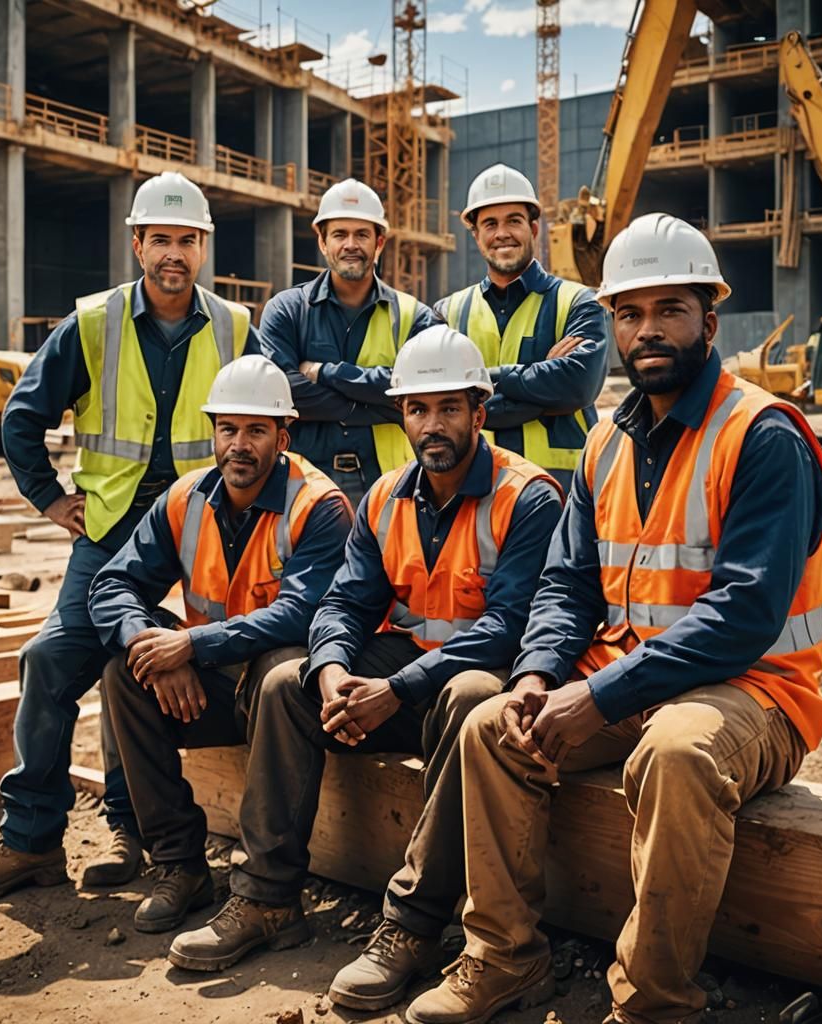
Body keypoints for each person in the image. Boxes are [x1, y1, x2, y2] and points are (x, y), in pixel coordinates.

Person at [406, 213, 822, 1024]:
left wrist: (595, 699)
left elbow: (744, 614)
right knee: (493, 727)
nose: (647, 330)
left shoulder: (761, 434)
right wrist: (537, 676)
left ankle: (650, 1004)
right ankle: (503, 957)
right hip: (632, 677)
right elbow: (568, 587)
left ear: (709, 320)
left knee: (675, 754)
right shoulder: (606, 442)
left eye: (669, 309)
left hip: (757, 693)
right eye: (629, 314)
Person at [166, 326, 563, 979]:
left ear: (479, 413)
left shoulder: (528, 498)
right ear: (401, 415)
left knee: (469, 700)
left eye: (448, 408)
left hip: (480, 681)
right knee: (283, 684)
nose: (431, 425)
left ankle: (414, 925)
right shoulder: (385, 496)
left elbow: (511, 625)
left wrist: (395, 690)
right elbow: (344, 605)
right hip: (408, 679)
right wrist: (329, 675)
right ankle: (267, 898)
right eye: (417, 408)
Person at [0, 172, 258, 901]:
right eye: (161, 240)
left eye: (187, 240)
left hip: (210, 531)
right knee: (51, 659)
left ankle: (130, 830)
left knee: (147, 667)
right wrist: (51, 499)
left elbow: (267, 418)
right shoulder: (93, 324)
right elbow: (22, 418)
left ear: (203, 246)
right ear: (137, 244)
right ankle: (29, 841)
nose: (173, 254)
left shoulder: (238, 326)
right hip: (115, 531)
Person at [87, 355, 352, 934]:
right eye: (227, 429)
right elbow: (111, 583)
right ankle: (180, 866)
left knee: (287, 666)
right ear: (213, 433)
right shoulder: (184, 500)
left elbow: (300, 613)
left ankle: (268, 892)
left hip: (279, 705)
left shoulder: (319, 506)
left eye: (256, 430)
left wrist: (193, 646)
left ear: (284, 436)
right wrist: (153, 651)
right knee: (121, 673)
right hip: (208, 692)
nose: (239, 444)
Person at [256, 178, 438, 505]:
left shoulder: (416, 317)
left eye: (362, 234)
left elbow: (423, 394)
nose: (350, 244)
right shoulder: (286, 311)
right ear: (322, 242)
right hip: (302, 484)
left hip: (392, 485)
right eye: (339, 234)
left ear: (379, 242)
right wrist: (376, 406)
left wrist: (327, 373)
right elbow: (281, 394)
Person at [438, 163, 608, 491]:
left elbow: (579, 387)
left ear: (533, 228)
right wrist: (543, 375)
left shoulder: (578, 302)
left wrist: (474, 390)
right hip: (473, 480)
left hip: (561, 483)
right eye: (490, 223)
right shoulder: (448, 313)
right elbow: (437, 400)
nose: (502, 233)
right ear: (476, 235)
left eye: (513, 221)